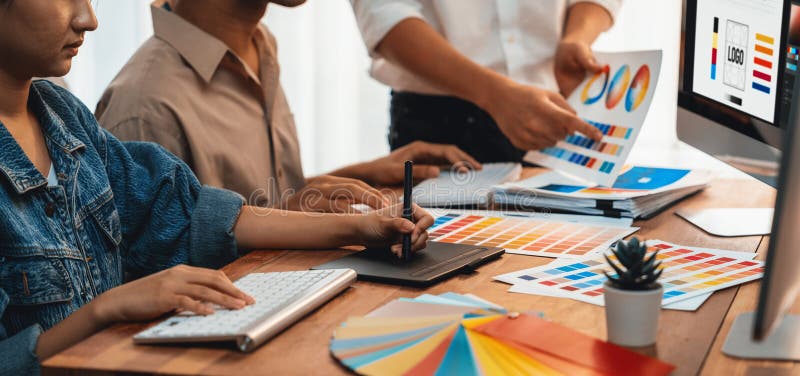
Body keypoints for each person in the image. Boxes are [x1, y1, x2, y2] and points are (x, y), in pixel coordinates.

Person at [0, 1, 433, 373]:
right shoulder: (147, 97)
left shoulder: (63, 116)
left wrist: (364, 228)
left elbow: (195, 214)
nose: (89, 19)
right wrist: (106, 309)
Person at [95, 0, 481, 213]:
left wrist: (360, 175)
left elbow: (256, 201)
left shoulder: (258, 46)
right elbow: (161, 271)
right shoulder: (147, 107)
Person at [350, 0, 620, 163]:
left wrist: (578, 36)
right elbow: (383, 12)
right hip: (439, 122)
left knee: (563, 246)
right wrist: (494, 95)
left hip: (553, 108)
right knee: (441, 252)